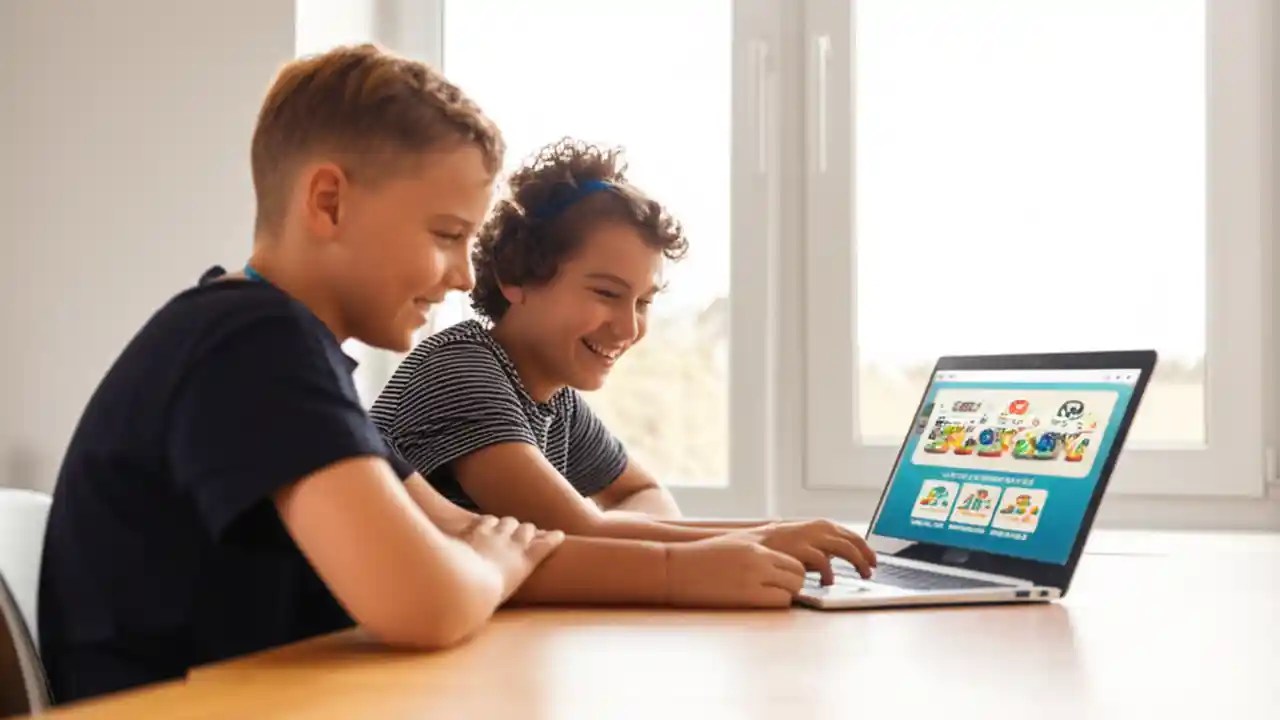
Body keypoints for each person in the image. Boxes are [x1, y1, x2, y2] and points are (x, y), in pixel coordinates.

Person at [38, 45, 808, 705]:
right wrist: (500, 559)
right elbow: (427, 599)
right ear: (329, 202)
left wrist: (686, 566)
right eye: (446, 235)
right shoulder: (251, 341)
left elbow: (463, 532)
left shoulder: (295, 352)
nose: (460, 275)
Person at [371, 139, 877, 585]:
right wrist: (765, 537)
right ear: (515, 277)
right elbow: (579, 532)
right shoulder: (459, 372)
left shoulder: (554, 400)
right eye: (607, 293)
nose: (629, 327)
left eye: (643, 302)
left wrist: (633, 536)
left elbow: (641, 491)